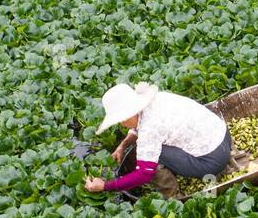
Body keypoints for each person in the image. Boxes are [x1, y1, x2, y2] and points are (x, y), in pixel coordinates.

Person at [83, 82, 231, 199]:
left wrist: (105, 186)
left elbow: (144, 174)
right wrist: (123, 145)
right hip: (224, 136)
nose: (121, 124)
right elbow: (139, 126)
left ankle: (173, 196)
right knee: (149, 147)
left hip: (212, 161)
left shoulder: (149, 129)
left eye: (120, 120)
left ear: (127, 116)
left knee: (153, 155)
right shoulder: (156, 99)